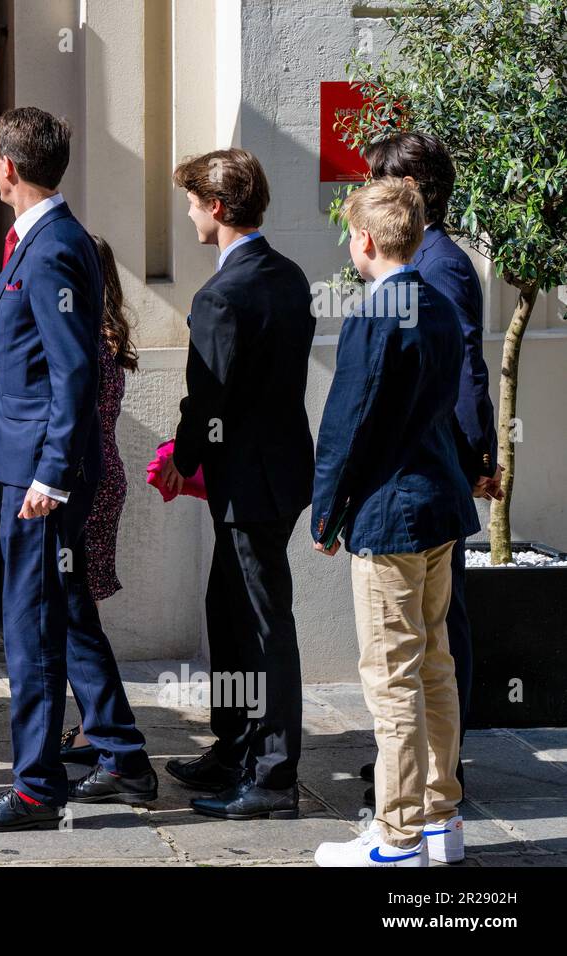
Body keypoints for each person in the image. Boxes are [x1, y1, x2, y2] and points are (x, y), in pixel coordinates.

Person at [0, 107, 156, 833]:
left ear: (7, 165)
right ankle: (124, 756)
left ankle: (36, 789)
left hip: (39, 480)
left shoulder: (54, 247)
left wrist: (49, 475)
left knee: (31, 631)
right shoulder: (39, 243)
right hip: (32, 467)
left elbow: (73, 371)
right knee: (66, 613)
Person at [312, 178, 478, 866]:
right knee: (433, 663)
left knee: (393, 677)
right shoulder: (435, 301)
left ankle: (399, 835)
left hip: (391, 514)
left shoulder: (376, 313)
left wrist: (326, 513)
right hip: (437, 506)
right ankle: (440, 819)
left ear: (367, 240)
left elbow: (347, 424)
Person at [161, 149, 314, 821]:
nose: (190, 213)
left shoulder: (222, 293)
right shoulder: (288, 275)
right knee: (228, 614)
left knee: (260, 625)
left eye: (193, 203)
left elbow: (210, 397)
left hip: (249, 483)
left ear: (217, 209)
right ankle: (232, 747)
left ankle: (274, 774)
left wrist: (180, 457)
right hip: (274, 474)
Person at [356, 132, 503, 805]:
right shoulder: (440, 257)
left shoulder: (435, 266)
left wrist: (479, 456)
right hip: (435, 468)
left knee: (435, 635)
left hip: (426, 474)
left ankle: (438, 773)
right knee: (432, 634)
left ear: (407, 191)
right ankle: (418, 765)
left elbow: (468, 365)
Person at [57, 233, 140, 766]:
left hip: (89, 481)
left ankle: (99, 730)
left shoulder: (86, 339)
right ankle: (92, 725)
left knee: (75, 610)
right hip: (106, 476)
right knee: (79, 607)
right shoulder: (105, 332)